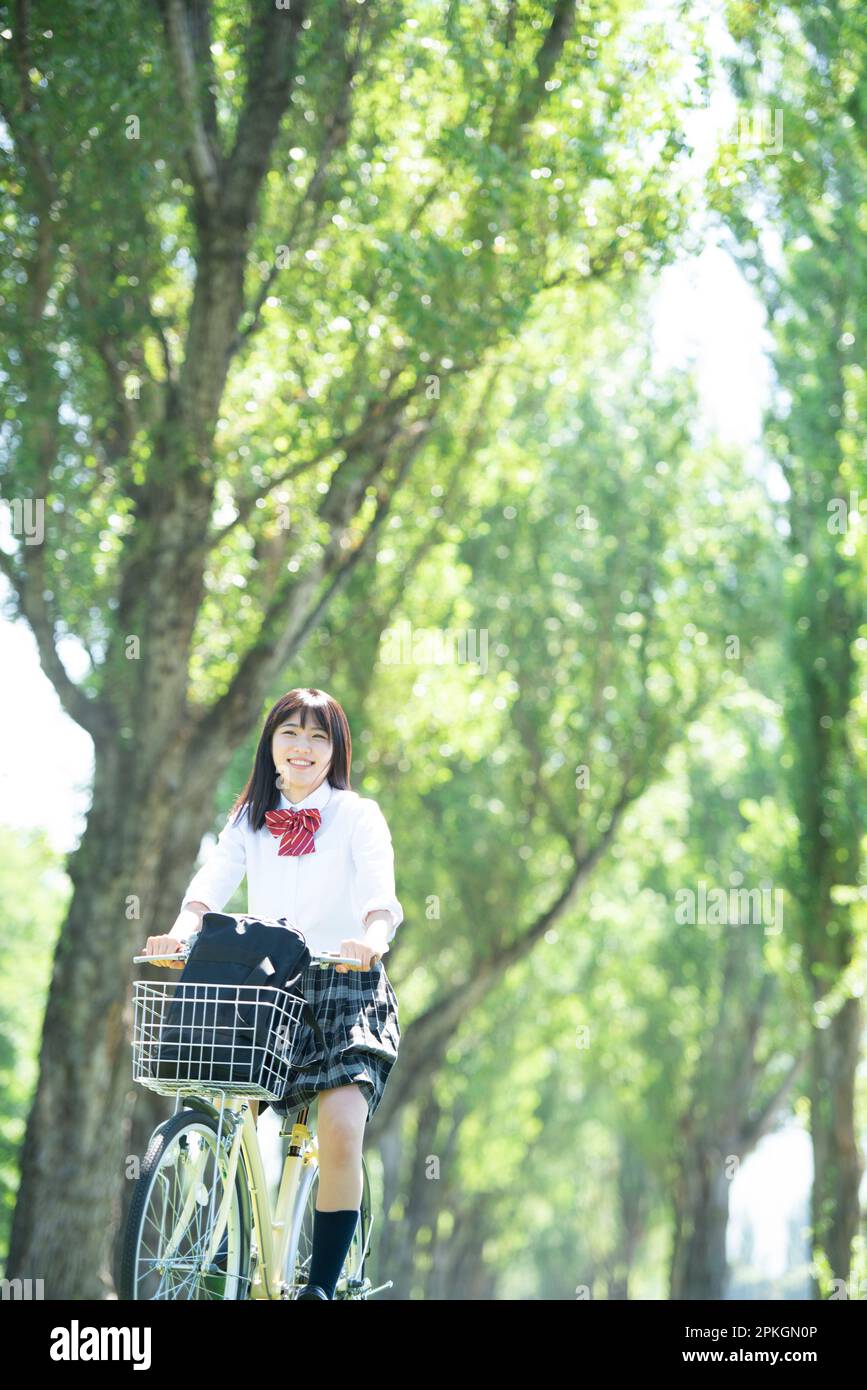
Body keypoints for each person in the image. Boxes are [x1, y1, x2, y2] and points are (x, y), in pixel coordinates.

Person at [143, 686, 403, 1301]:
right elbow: (211, 883)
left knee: (340, 1126)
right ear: (271, 744)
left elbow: (380, 893)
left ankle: (319, 1285)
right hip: (266, 988)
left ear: (334, 749)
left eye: (318, 736)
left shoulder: (357, 814)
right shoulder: (249, 819)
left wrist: (372, 937)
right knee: (229, 1111)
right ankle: (229, 1241)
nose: (303, 747)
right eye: (290, 733)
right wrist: (182, 933)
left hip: (344, 985)